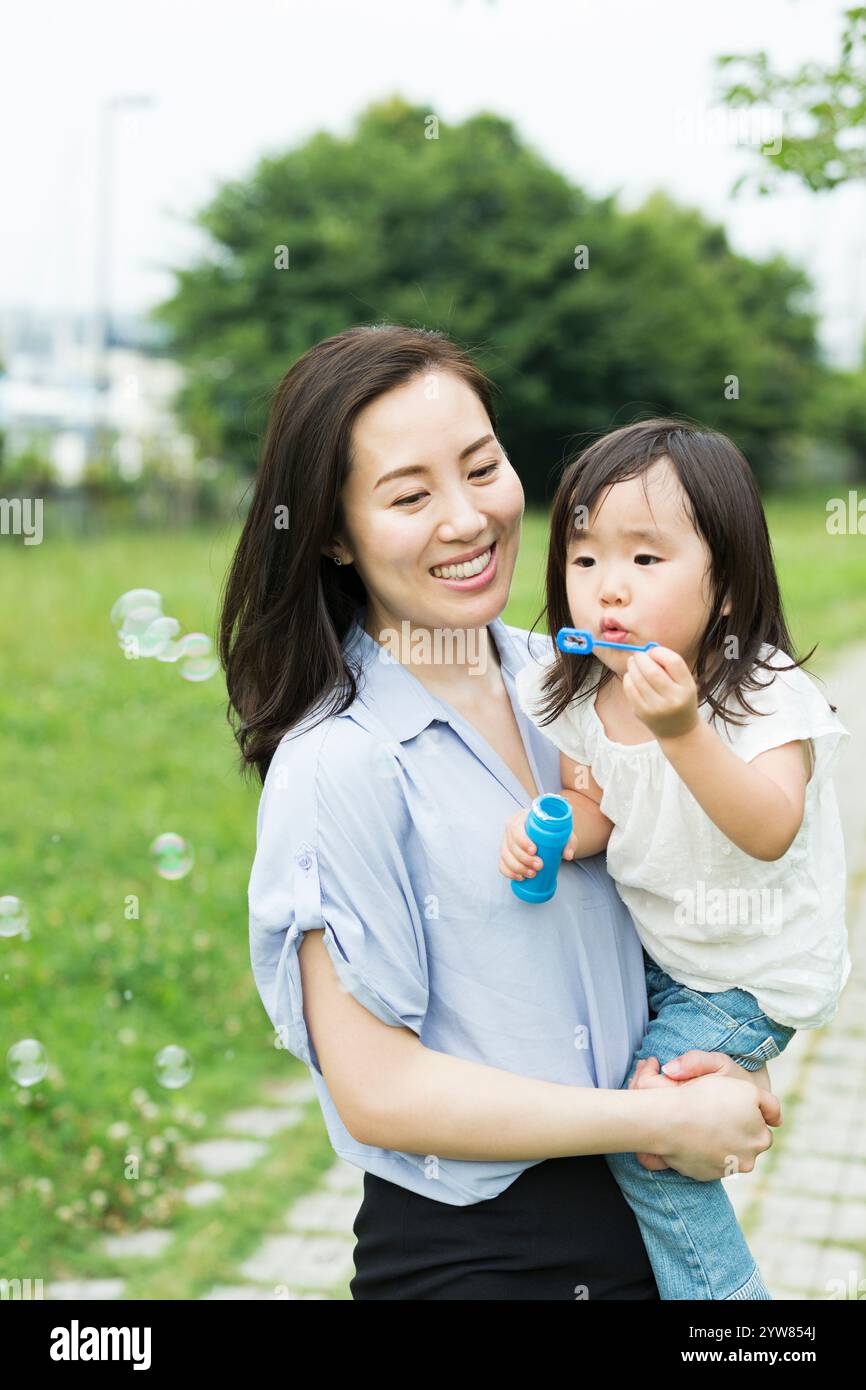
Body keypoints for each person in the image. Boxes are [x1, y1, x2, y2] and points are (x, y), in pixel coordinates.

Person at [222, 324, 782, 1300]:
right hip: (478, 1258)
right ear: (331, 532)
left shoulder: (575, 688)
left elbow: (669, 913)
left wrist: (719, 1060)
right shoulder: (336, 765)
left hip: (650, 1224)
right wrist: (653, 1122)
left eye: (481, 468)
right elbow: (379, 1089)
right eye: (408, 495)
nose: (466, 518)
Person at [503, 418, 850, 1299]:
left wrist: (682, 729)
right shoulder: (585, 697)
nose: (608, 588)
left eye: (646, 561)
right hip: (664, 962)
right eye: (585, 560)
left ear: (725, 587)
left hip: (747, 972)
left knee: (651, 1139)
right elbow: (598, 809)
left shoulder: (767, 695)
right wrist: (551, 828)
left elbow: (768, 826)